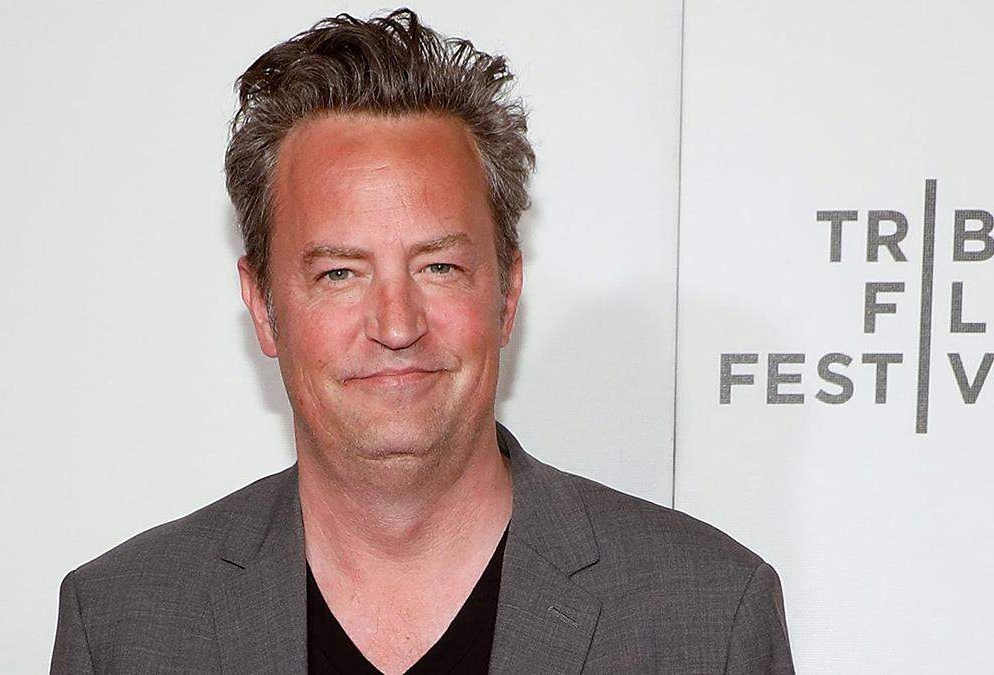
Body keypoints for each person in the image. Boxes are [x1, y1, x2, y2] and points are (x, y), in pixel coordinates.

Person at [50, 8, 794, 674]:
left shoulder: (709, 619)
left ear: (506, 293)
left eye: (439, 267)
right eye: (339, 273)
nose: (397, 325)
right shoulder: (123, 628)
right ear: (264, 307)